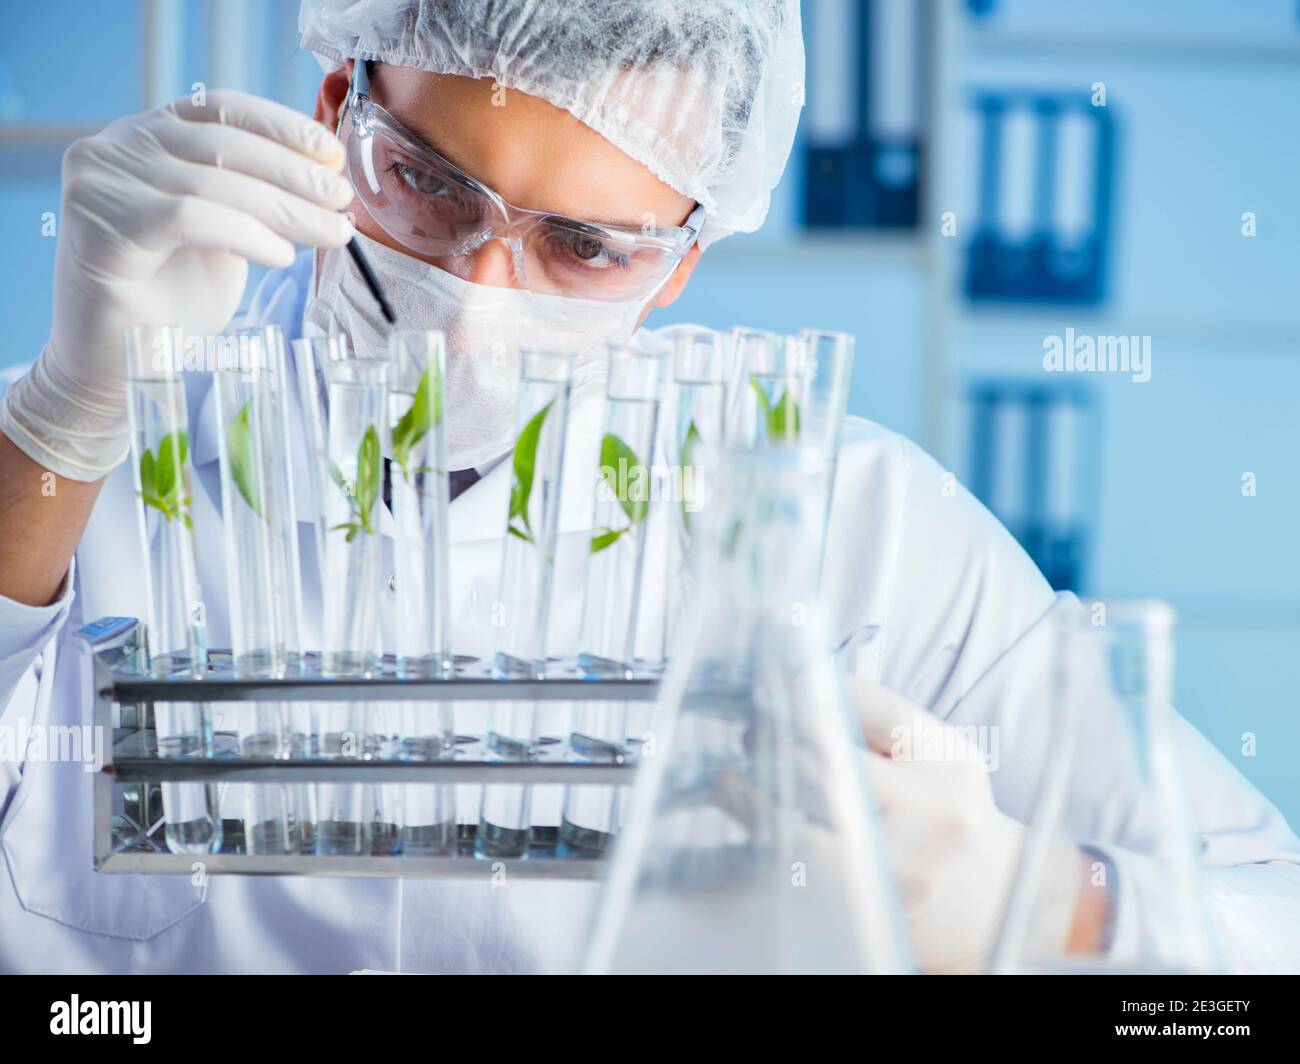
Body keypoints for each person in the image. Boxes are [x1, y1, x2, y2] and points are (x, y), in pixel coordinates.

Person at [0, 0, 1296, 975]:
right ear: (341, 104)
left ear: (677, 264)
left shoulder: (854, 526)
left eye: (584, 247)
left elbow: (1266, 917)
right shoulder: (103, 412)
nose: (477, 305)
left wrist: (1045, 901)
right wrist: (65, 418)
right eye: (429, 188)